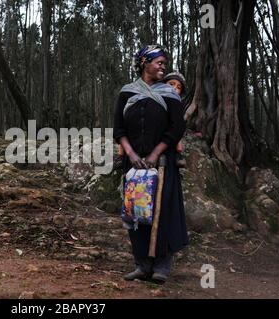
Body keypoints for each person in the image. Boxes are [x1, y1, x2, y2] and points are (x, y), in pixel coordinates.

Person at [113, 45, 188, 283]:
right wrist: (131, 154)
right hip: (134, 165)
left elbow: (176, 128)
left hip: (163, 163)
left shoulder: (170, 94)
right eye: (159, 62)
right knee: (136, 212)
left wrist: (156, 153)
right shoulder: (127, 93)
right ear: (144, 63)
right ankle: (142, 265)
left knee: (162, 212)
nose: (163, 67)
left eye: (165, 63)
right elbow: (119, 129)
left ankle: (162, 266)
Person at [163, 71, 187, 168]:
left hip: (170, 144)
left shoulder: (177, 104)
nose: (174, 88)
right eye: (171, 84)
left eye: (178, 87)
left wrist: (178, 144)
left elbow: (178, 125)